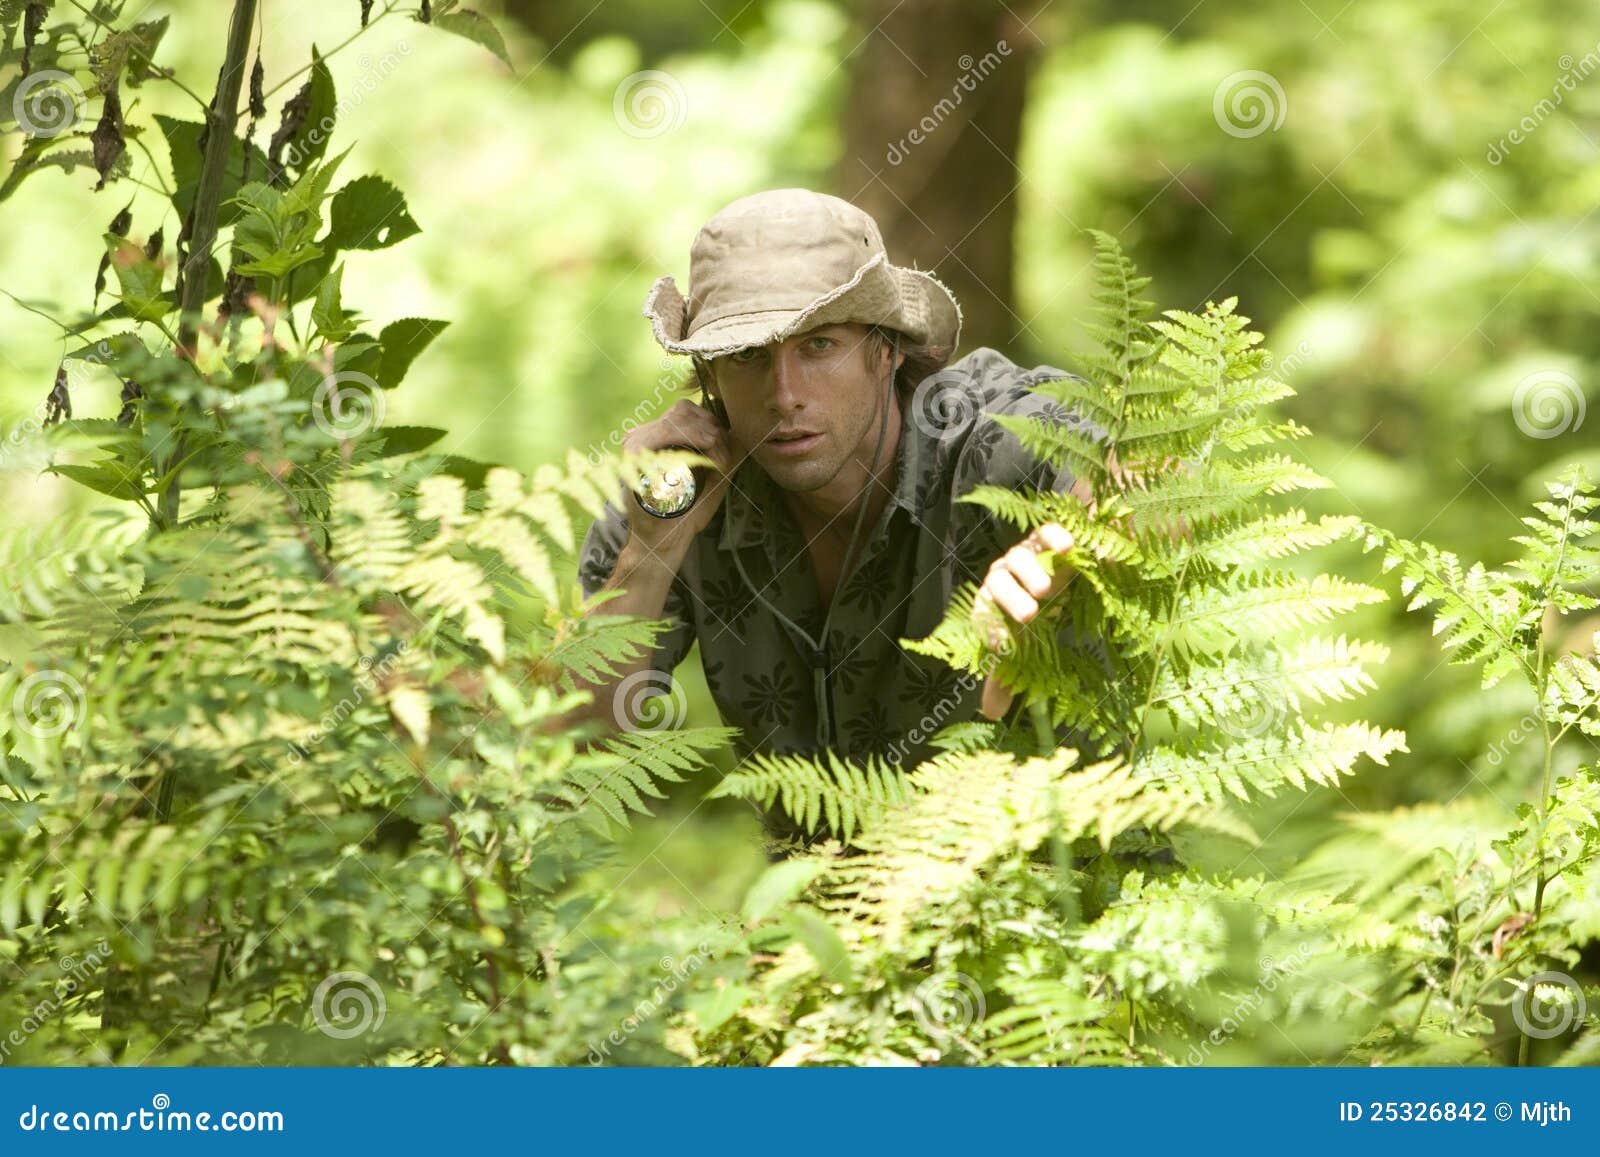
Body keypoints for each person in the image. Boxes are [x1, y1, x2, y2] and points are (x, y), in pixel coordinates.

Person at [572, 188, 1103, 823]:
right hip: (827, 916)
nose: (785, 394)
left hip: (1058, 898)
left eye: (818, 345)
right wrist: (651, 554)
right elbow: (566, 756)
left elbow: (1164, 489)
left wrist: (1072, 545)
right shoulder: (673, 497)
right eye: (747, 356)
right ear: (709, 378)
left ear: (886, 350)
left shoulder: (987, 432)